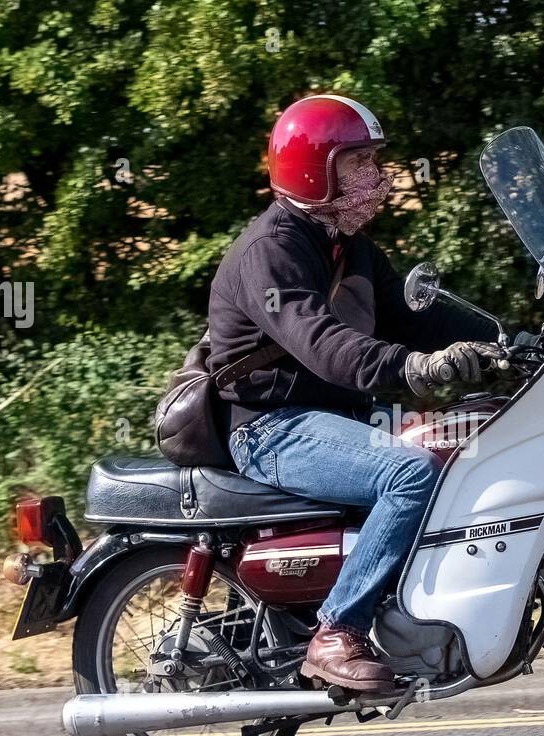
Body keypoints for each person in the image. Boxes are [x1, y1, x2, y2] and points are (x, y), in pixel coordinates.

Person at [205, 94, 501, 694]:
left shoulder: (352, 248)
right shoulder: (273, 250)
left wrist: (508, 339)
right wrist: (414, 368)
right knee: (410, 475)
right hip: (273, 426)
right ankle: (336, 631)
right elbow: (323, 343)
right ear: (316, 170)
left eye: (374, 162)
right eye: (358, 163)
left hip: (337, 418)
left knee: (467, 444)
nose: (377, 177)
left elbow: (417, 323)